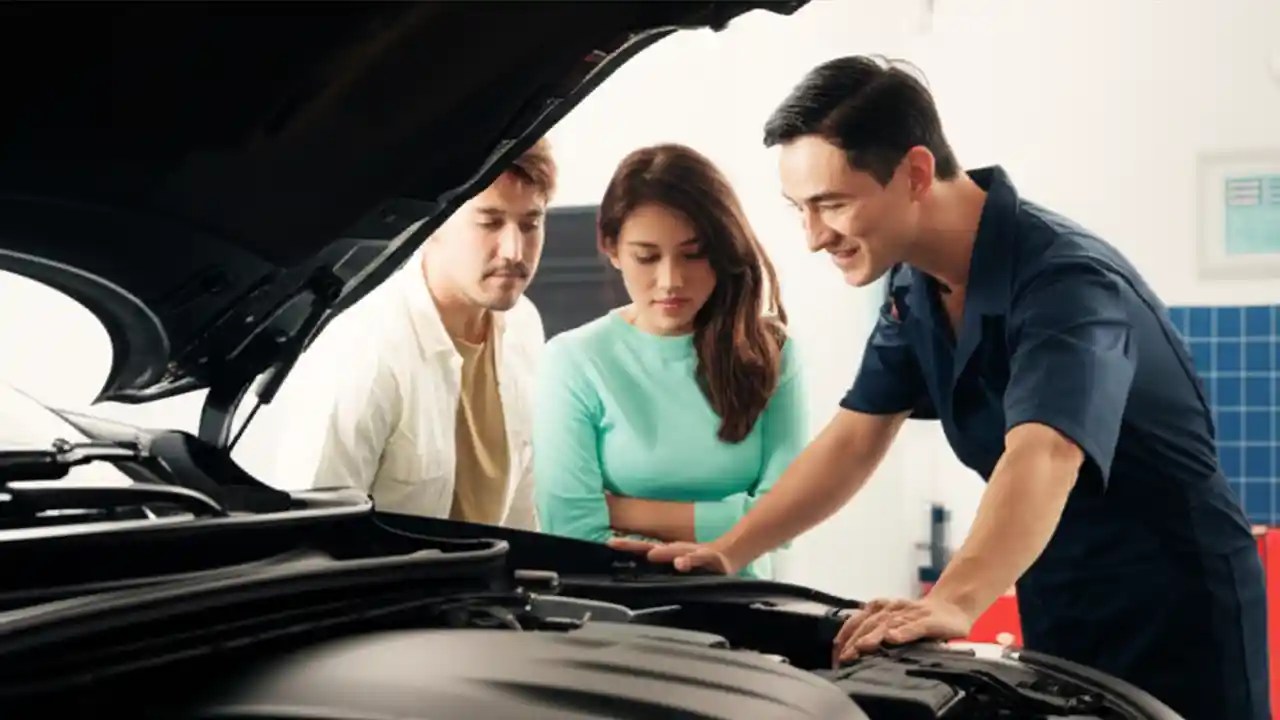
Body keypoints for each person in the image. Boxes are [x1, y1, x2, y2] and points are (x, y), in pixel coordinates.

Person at [609, 57, 1269, 719]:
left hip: (1179, 610)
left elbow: (1044, 453)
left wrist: (952, 599)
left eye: (832, 205)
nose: (812, 238)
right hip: (1057, 596)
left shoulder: (1067, 282)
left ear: (916, 174)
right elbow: (854, 437)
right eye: (800, 211)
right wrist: (731, 549)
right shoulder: (913, 286)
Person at [532, 143, 808, 579]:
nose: (670, 281)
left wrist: (626, 511)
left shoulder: (771, 353)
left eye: (693, 254)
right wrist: (732, 523)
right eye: (647, 257)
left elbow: (785, 518)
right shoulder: (572, 362)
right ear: (611, 247)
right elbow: (574, 534)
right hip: (620, 611)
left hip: (747, 611)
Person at [269, 138, 557, 529]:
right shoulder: (364, 346)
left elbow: (523, 512)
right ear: (432, 224)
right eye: (490, 222)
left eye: (530, 223)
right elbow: (309, 530)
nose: (514, 250)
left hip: (484, 581)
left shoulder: (523, 324)